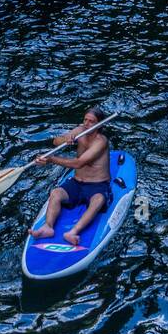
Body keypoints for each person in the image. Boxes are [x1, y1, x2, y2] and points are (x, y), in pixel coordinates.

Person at [29, 106, 111, 247]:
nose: (86, 124)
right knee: (55, 193)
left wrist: (51, 159)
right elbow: (55, 141)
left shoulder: (101, 141)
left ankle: (73, 232)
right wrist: (66, 139)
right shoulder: (80, 130)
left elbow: (79, 163)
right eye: (85, 119)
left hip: (97, 184)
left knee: (98, 200)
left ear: (99, 124)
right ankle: (48, 227)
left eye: (91, 121)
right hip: (76, 182)